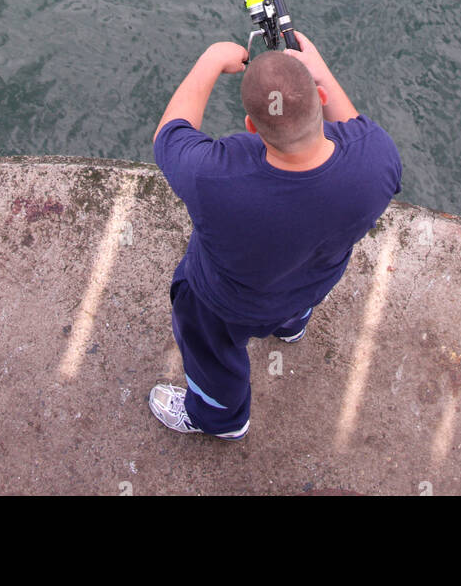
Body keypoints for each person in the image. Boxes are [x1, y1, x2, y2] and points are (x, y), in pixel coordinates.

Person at [149, 29, 402, 440]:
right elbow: (355, 128)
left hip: (224, 305)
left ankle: (220, 419)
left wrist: (212, 59)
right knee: (297, 288)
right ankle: (290, 326)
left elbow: (170, 135)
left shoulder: (214, 178)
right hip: (309, 286)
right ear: (320, 97)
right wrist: (319, 71)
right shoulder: (377, 159)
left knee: (211, 353)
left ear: (250, 126)